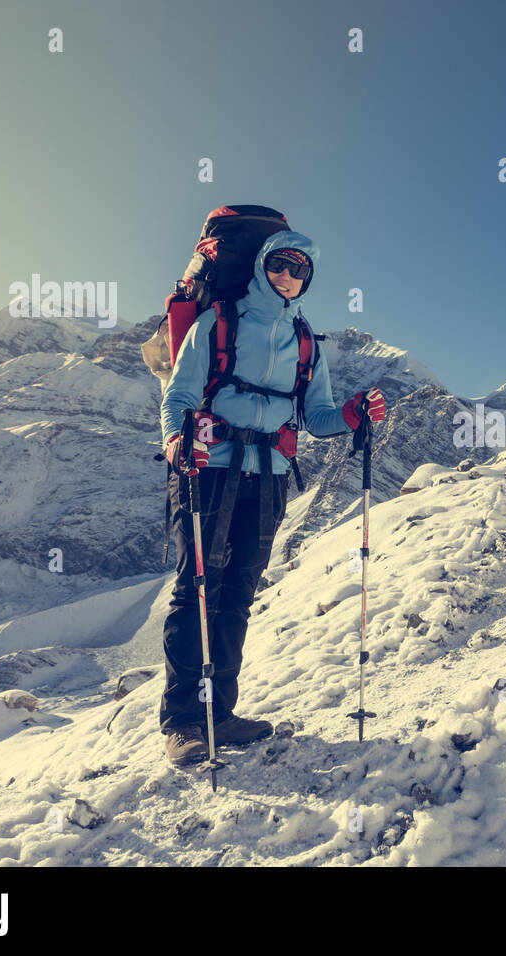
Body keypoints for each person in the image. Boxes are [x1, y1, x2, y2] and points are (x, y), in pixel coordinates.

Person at [157, 229, 386, 766]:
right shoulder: (220, 322)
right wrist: (176, 442)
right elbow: (181, 395)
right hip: (207, 466)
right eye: (280, 265)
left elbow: (317, 415)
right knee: (197, 590)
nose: (288, 276)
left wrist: (352, 413)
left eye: (300, 270)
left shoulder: (305, 341)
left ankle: (220, 715)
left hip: (270, 473)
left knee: (237, 590)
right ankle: (183, 723)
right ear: (262, 265)